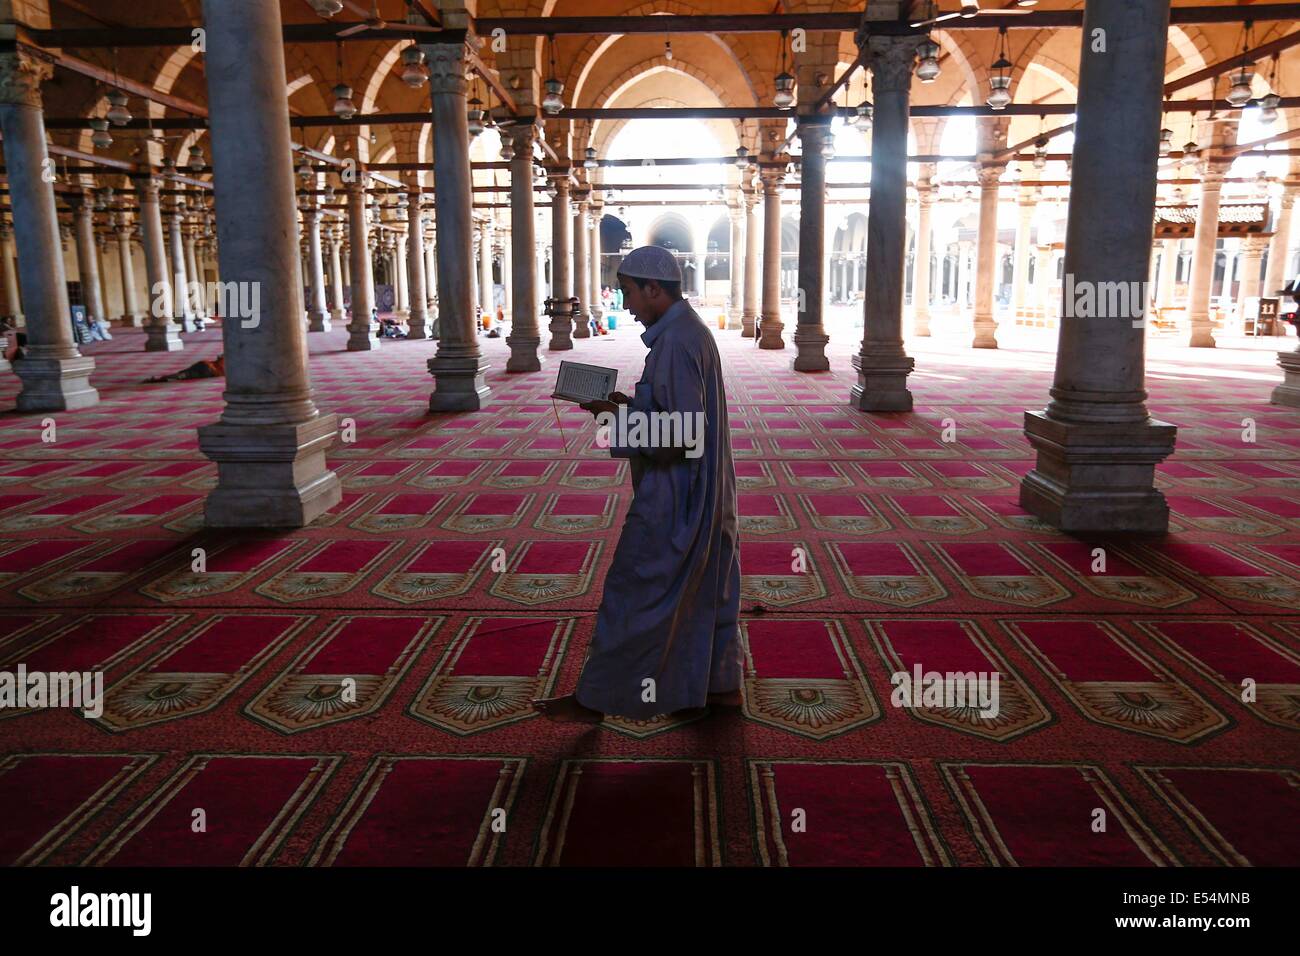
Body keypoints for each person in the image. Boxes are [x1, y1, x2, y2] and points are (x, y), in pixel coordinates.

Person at [533, 245, 741, 723]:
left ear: (654, 289)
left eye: (629, 292)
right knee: (705, 585)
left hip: (678, 494)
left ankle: (598, 700)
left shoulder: (675, 342)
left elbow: (682, 435)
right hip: (700, 488)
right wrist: (627, 406)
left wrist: (612, 416)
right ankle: (718, 688)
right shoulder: (685, 333)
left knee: (636, 591)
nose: (625, 303)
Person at [144, 354, 225, 383]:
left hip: (204, 364)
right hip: (209, 371)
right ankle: (161, 379)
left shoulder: (230, 356)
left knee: (183, 373)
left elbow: (219, 357)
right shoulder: (234, 366)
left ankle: (161, 379)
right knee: (184, 375)